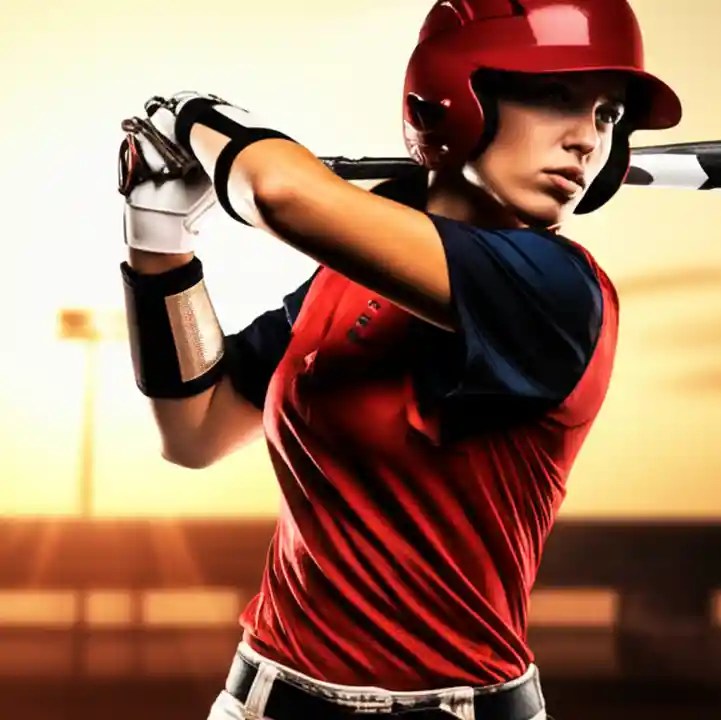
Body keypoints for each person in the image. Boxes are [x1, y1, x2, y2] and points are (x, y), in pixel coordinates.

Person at [114, 2, 682, 719]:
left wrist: (192, 113)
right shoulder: (343, 275)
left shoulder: (562, 292)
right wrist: (159, 238)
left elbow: (281, 191)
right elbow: (194, 431)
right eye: (554, 96)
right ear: (454, 95)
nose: (585, 142)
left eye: (605, 115)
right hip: (262, 696)